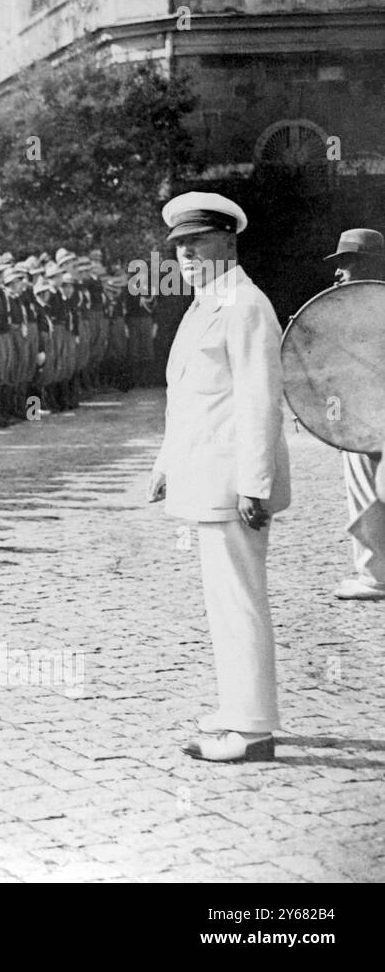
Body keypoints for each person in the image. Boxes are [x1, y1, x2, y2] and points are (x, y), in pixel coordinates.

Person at [149, 192, 290, 762]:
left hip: (233, 483)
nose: (185, 253)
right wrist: (165, 463)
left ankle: (253, 729)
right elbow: (188, 398)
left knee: (239, 601)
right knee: (224, 601)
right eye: (179, 244)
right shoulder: (209, 300)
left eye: (196, 241)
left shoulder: (244, 304)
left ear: (228, 241)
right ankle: (239, 709)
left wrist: (255, 482)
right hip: (206, 475)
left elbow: (260, 399)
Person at [320, 228, 385, 600]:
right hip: (364, 416)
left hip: (366, 418)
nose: (338, 273)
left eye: (345, 264)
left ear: (365, 266)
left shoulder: (363, 309)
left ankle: (374, 578)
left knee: (366, 495)